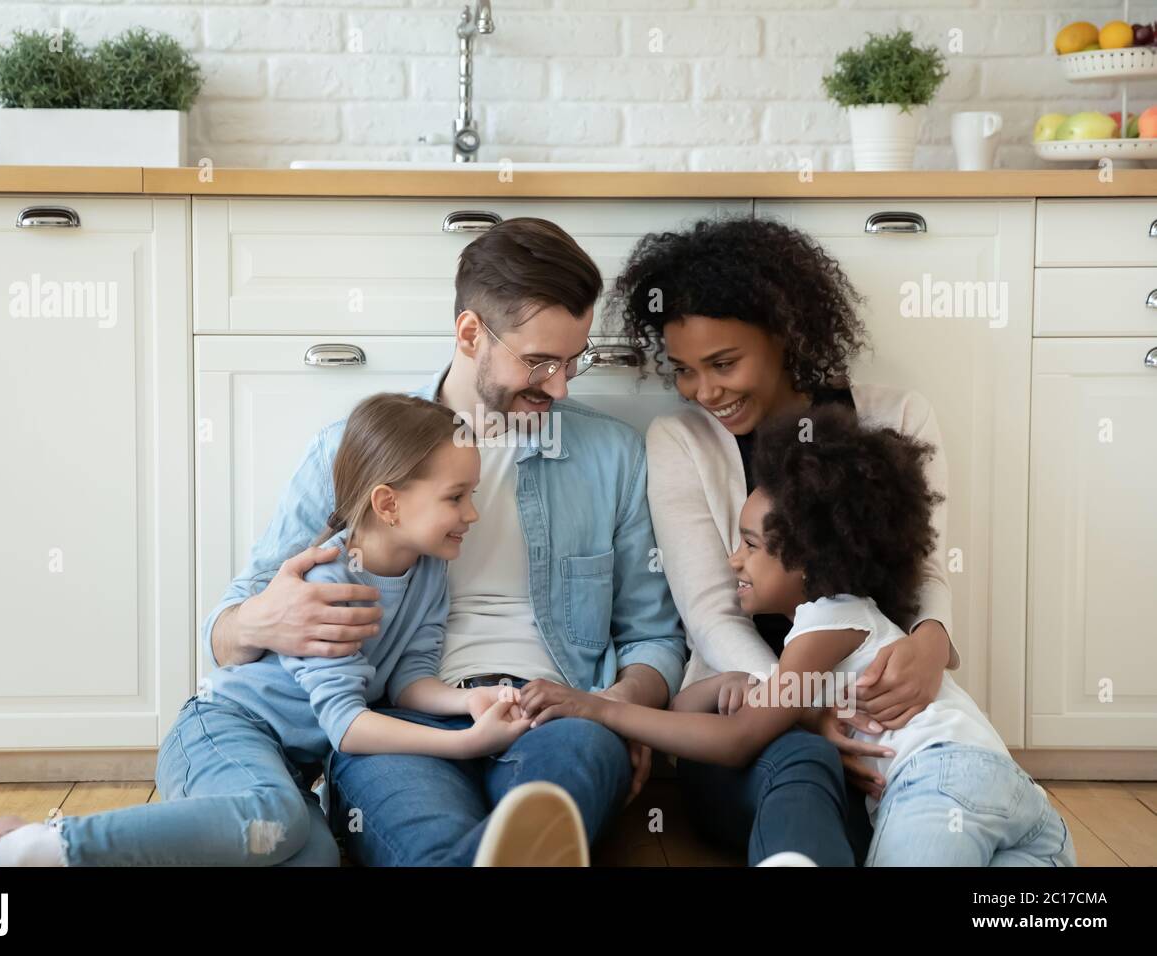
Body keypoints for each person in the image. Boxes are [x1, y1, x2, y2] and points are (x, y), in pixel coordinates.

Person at [205, 217, 686, 866]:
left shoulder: (611, 455)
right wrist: (263, 617)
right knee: (435, 846)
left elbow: (652, 634)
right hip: (397, 721)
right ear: (469, 333)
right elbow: (225, 638)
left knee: (558, 792)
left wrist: (617, 711)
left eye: (572, 362)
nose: (561, 387)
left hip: (554, 710)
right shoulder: (357, 448)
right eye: (539, 360)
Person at [0, 393, 535, 867]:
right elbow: (347, 726)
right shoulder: (333, 584)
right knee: (275, 818)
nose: (473, 514)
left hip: (284, 767)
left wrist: (466, 700)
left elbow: (407, 680)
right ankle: (34, 847)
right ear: (388, 504)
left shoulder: (427, 572)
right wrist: (463, 742)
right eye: (457, 497)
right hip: (222, 732)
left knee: (315, 856)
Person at [521, 406, 1076, 867]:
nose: (732, 558)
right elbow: (693, 707)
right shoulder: (836, 628)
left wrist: (597, 709)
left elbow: (737, 740)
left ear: (810, 560)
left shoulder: (827, 625)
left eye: (751, 545)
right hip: (1015, 799)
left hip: (938, 782)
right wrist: (729, 684)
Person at [607, 216, 962, 865]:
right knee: (801, 762)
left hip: (881, 712)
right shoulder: (680, 442)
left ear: (786, 335)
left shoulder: (896, 417)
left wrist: (932, 644)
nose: (704, 391)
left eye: (724, 363)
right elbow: (711, 613)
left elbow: (927, 571)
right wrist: (803, 711)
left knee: (921, 785)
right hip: (749, 713)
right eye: (684, 370)